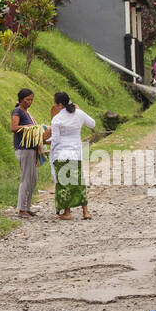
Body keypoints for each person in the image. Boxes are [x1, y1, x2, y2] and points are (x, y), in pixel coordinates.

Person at [49, 91, 95, 220]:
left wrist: (49, 149)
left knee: (64, 183)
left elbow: (56, 139)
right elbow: (92, 124)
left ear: (58, 105)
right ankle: (86, 212)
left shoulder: (57, 119)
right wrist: (80, 110)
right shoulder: (79, 113)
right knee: (79, 182)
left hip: (61, 154)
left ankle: (67, 212)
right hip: (76, 153)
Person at [11, 88, 50, 218]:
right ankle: (22, 209)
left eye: (31, 100)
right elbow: (14, 128)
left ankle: (27, 208)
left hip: (32, 149)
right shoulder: (17, 111)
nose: (30, 102)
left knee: (32, 179)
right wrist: (28, 127)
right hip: (24, 149)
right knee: (26, 179)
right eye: (28, 99)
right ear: (21, 100)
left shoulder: (27, 113)